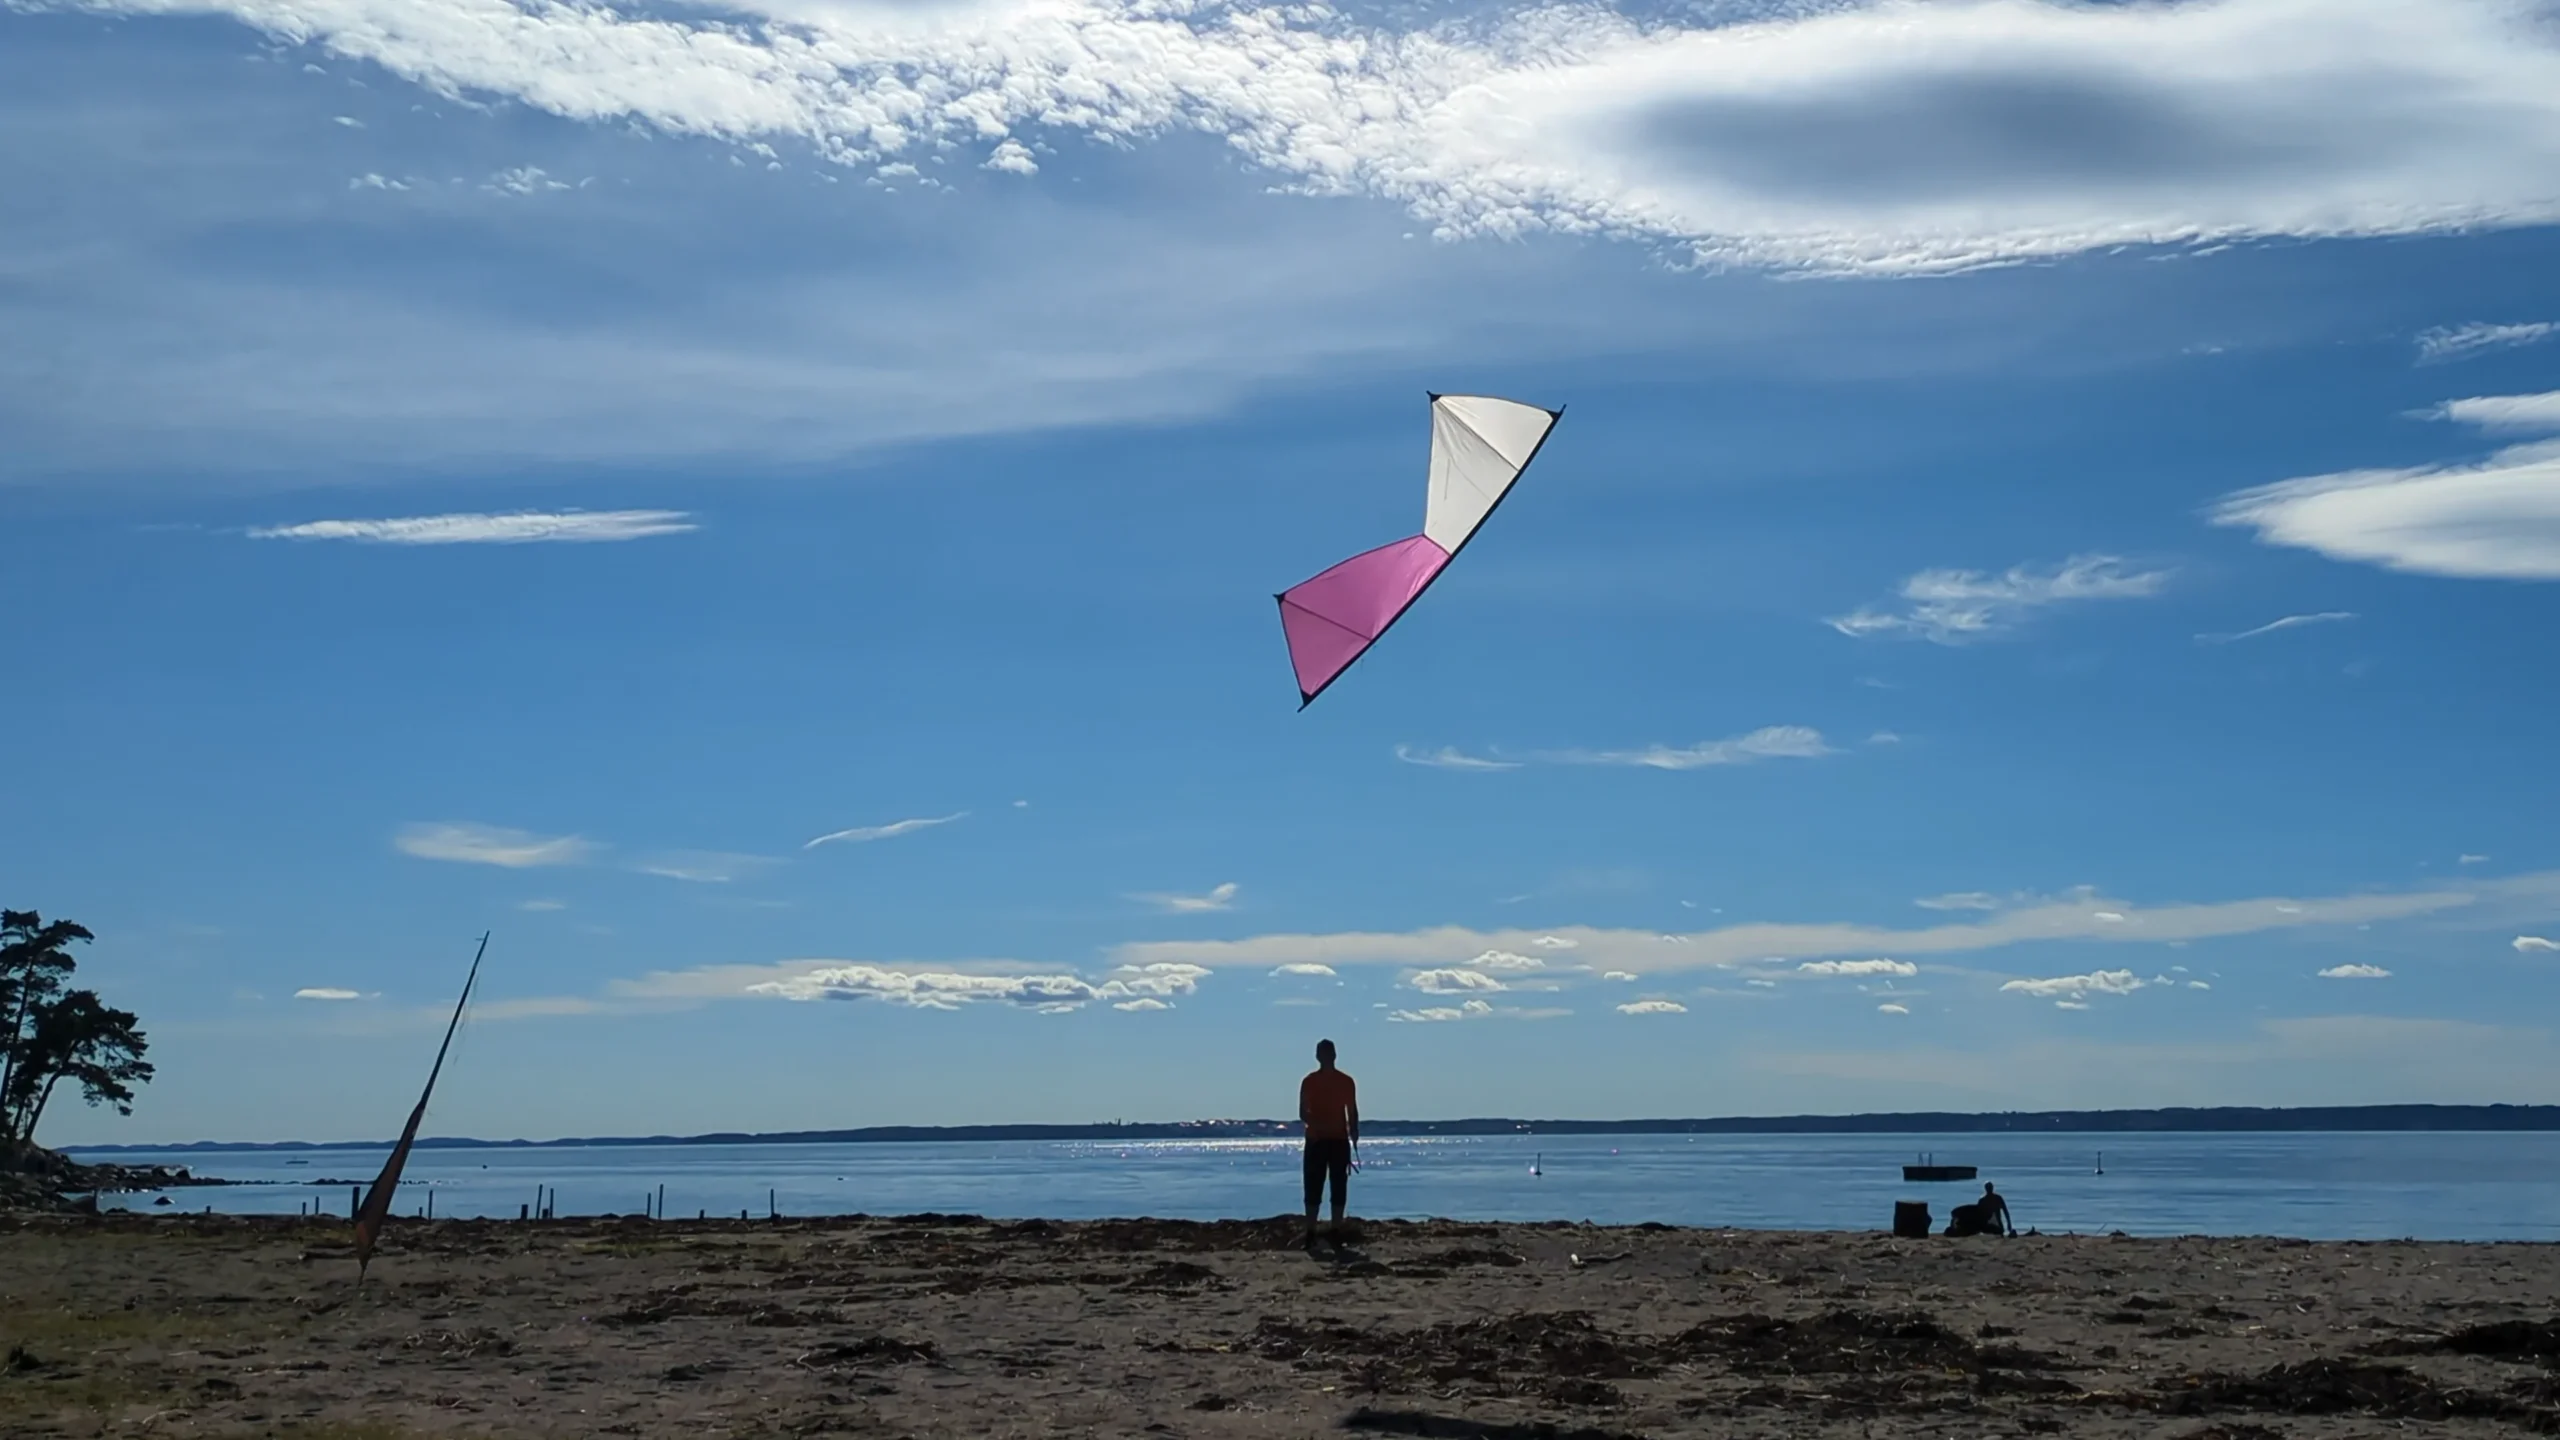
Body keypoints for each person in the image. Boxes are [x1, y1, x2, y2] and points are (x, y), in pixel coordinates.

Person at [1299, 1038, 1359, 1250]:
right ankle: (1312, 1232)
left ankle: (1333, 1231)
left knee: (1336, 1186)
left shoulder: (1345, 1081)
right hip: (1318, 1139)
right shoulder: (1310, 1081)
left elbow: (1352, 1111)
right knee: (1314, 1186)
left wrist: (1354, 1133)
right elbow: (1303, 1112)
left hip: (1336, 1140)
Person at [1947, 1182, 2012, 1237]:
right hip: (1983, 1221)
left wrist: (2008, 1224)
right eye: (1988, 1188)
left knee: (1998, 1226)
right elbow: (1978, 1213)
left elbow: (2003, 1212)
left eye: (1990, 1188)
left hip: (1986, 1221)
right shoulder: (1983, 1200)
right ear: (1986, 1189)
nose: (1989, 1189)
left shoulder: (1996, 1198)